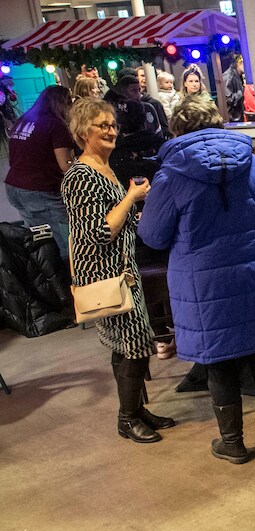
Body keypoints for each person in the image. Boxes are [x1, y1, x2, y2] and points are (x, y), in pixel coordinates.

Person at [137, 97, 255, 463]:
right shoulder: (253, 164)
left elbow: (154, 235)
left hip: (204, 284)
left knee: (219, 358)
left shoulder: (171, 175)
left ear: (177, 130)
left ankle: (233, 442)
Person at [62, 97, 175, 444]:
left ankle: (136, 411)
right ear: (83, 132)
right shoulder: (81, 177)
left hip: (122, 272)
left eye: (113, 124)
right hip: (105, 276)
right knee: (136, 344)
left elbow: (113, 222)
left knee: (127, 345)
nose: (111, 130)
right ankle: (127, 418)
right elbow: (99, 232)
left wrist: (131, 211)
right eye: (103, 126)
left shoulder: (104, 169)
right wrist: (132, 198)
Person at [4, 86, 75, 257]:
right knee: (64, 244)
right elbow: (66, 164)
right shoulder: (55, 125)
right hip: (40, 191)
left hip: (15, 187)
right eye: (69, 102)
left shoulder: (24, 120)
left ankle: (47, 278)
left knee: (41, 240)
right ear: (61, 103)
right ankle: (67, 280)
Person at [104, 76, 166, 189]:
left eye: (139, 90)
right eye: (133, 90)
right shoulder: (116, 148)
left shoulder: (150, 108)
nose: (138, 94)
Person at [223, 53, 245, 122]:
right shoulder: (228, 76)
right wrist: (242, 92)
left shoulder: (239, 75)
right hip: (232, 119)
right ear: (239, 63)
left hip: (238, 116)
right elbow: (227, 99)